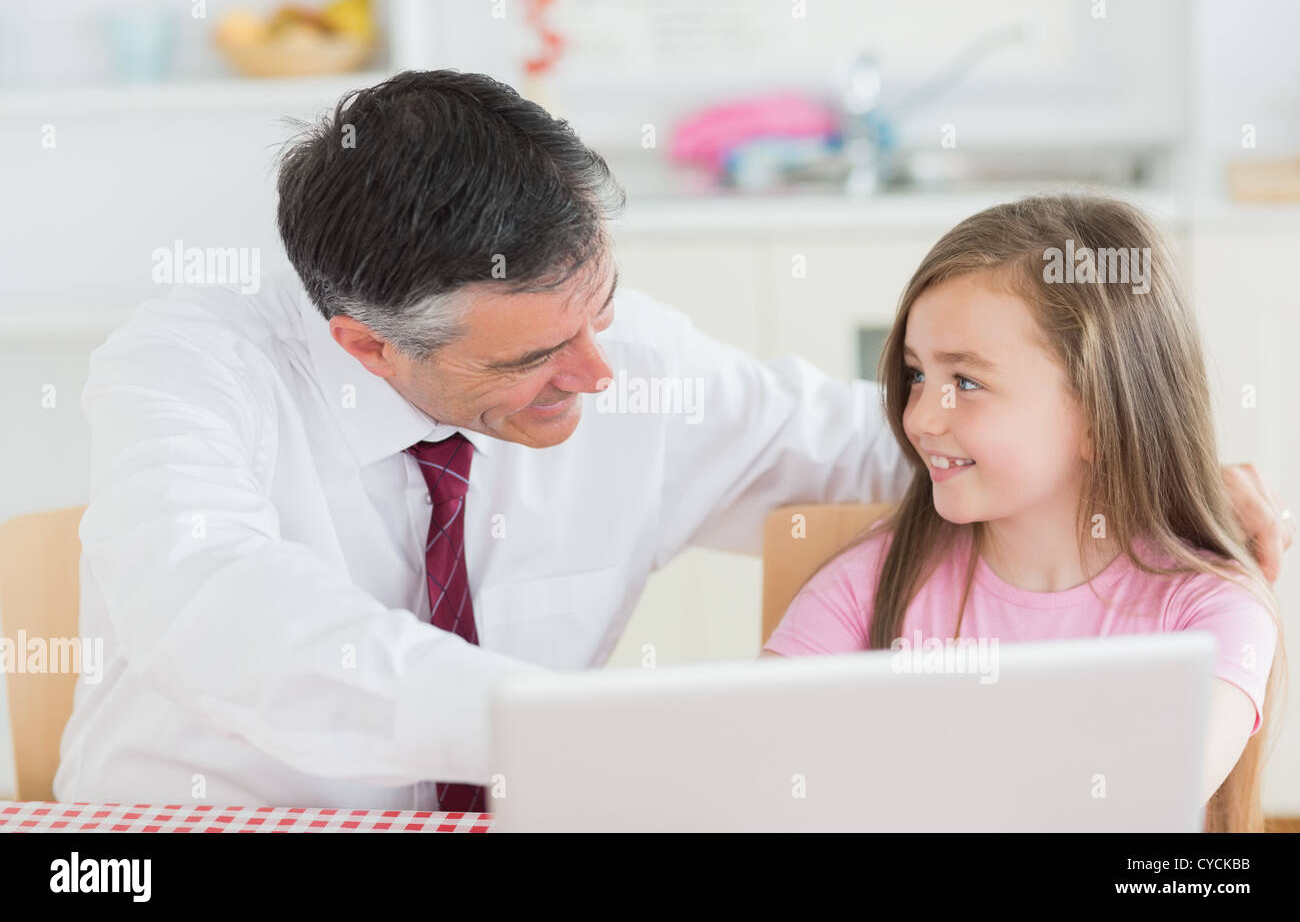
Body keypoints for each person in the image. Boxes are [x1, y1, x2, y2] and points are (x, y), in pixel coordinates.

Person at [55, 71, 1292, 814]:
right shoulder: (192, 367)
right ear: (371, 347)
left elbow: (900, 448)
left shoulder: (629, 356)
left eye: (599, 311)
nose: (599, 372)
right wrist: (574, 737)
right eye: (534, 358)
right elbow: (221, 608)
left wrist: (1151, 471)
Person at [761, 194, 1289, 832]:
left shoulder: (1210, 609)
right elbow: (755, 773)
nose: (921, 416)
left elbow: (1128, 806)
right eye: (917, 374)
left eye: (968, 382)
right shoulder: (866, 584)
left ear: (1101, 416)